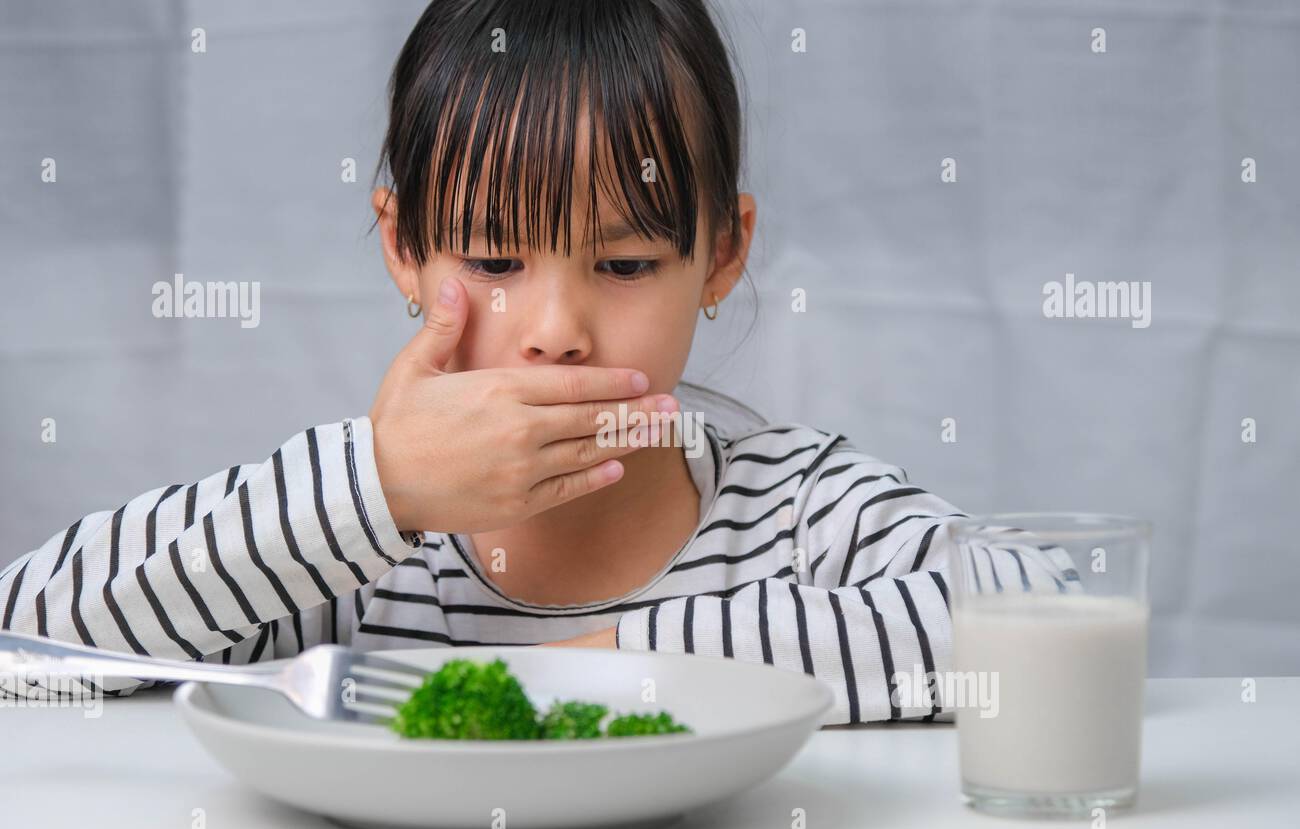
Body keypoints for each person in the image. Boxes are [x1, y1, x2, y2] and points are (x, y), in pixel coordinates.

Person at [0, 0, 1075, 724]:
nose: (555, 326)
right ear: (405, 251)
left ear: (723, 254)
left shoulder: (791, 506)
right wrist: (378, 486)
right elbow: (23, 644)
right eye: (494, 256)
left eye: (621, 260)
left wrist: (604, 663)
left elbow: (1047, 616)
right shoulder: (343, 543)